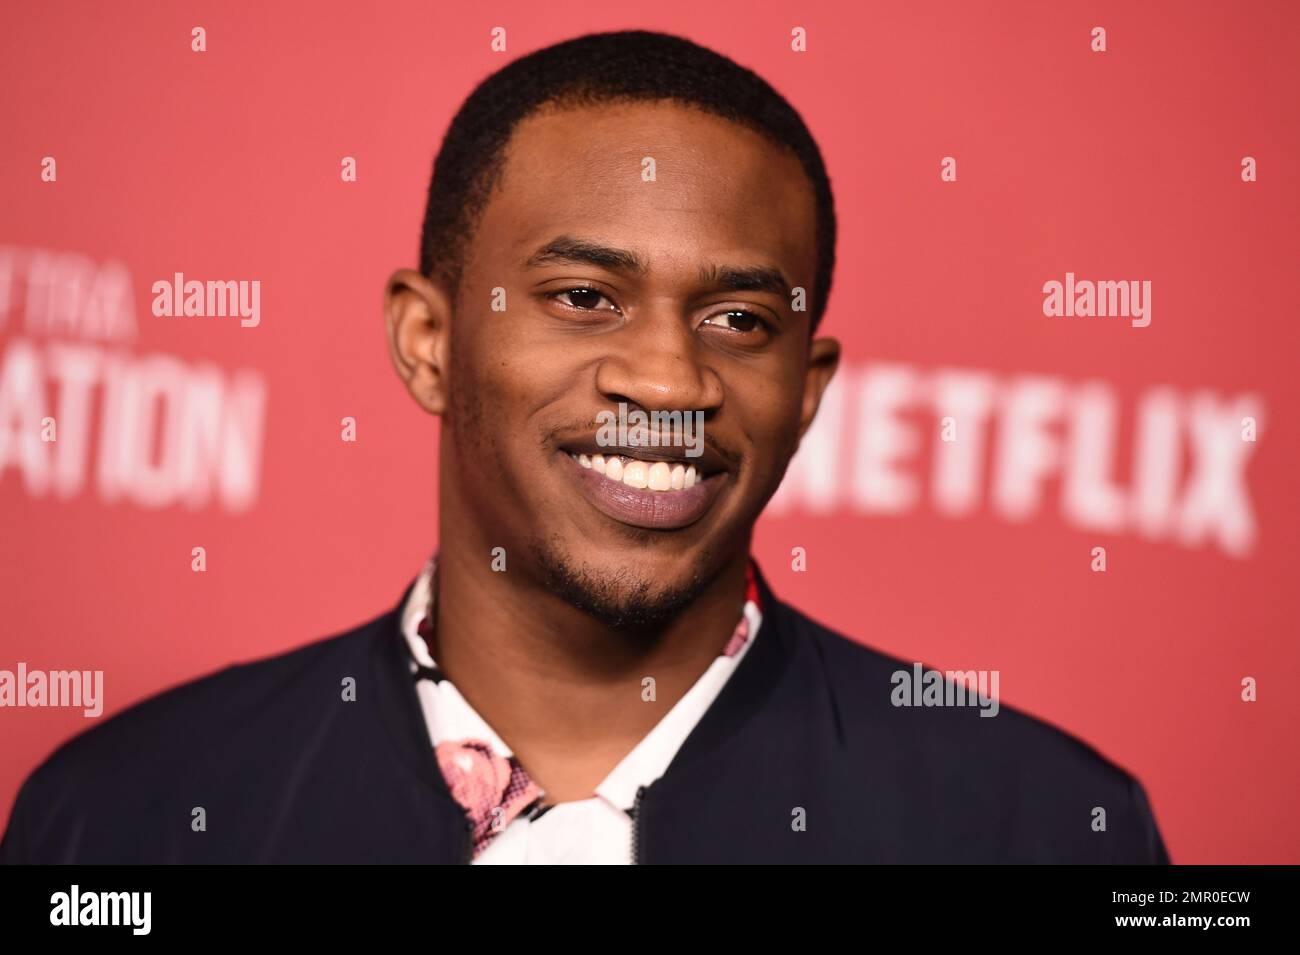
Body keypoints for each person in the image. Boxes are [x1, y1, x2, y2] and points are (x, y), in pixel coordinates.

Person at [0, 30, 1169, 864]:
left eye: (740, 322)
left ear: (807, 392)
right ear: (429, 342)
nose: (667, 379)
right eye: (582, 296)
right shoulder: (130, 814)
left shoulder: (1040, 825)